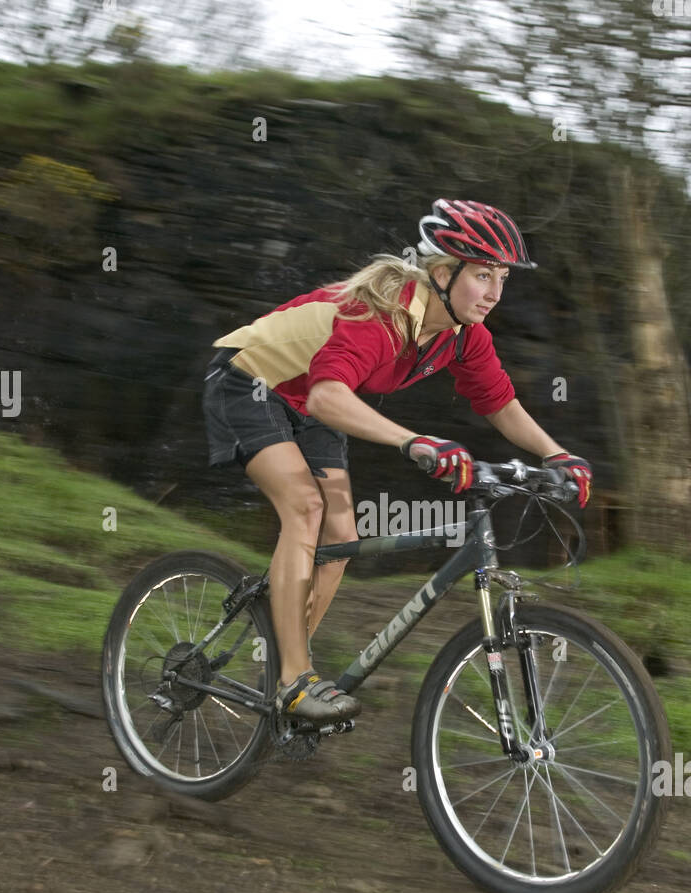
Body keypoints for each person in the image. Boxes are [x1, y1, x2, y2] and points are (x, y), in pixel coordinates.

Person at [203, 198, 592, 724]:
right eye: (483, 275)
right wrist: (414, 441)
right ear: (443, 273)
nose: (495, 293)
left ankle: (280, 667)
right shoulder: (381, 315)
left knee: (341, 535)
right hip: (251, 382)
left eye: (502, 278)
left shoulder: (464, 335)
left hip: (313, 398)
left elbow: (499, 403)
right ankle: (295, 681)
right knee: (305, 508)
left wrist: (557, 454)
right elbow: (326, 397)